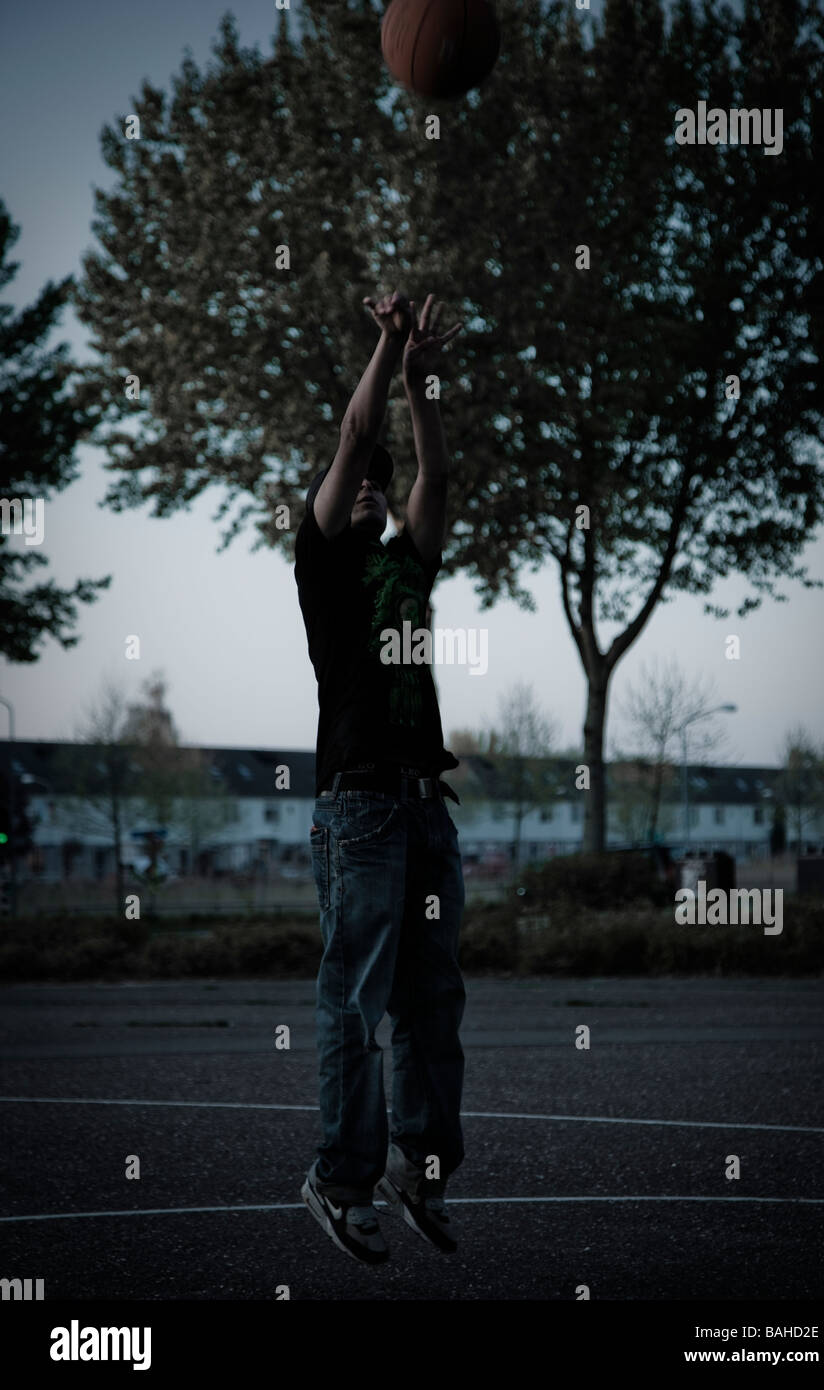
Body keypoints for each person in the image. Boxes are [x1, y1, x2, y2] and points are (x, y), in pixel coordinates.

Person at [294, 289, 467, 1265]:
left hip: (423, 812)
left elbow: (432, 469)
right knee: (355, 1002)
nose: (370, 486)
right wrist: (382, 344)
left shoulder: (408, 568)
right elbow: (360, 432)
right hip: (357, 806)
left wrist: (421, 382)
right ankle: (339, 1176)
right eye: (359, 479)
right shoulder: (322, 562)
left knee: (431, 1003)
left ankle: (421, 1169)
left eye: (378, 484)